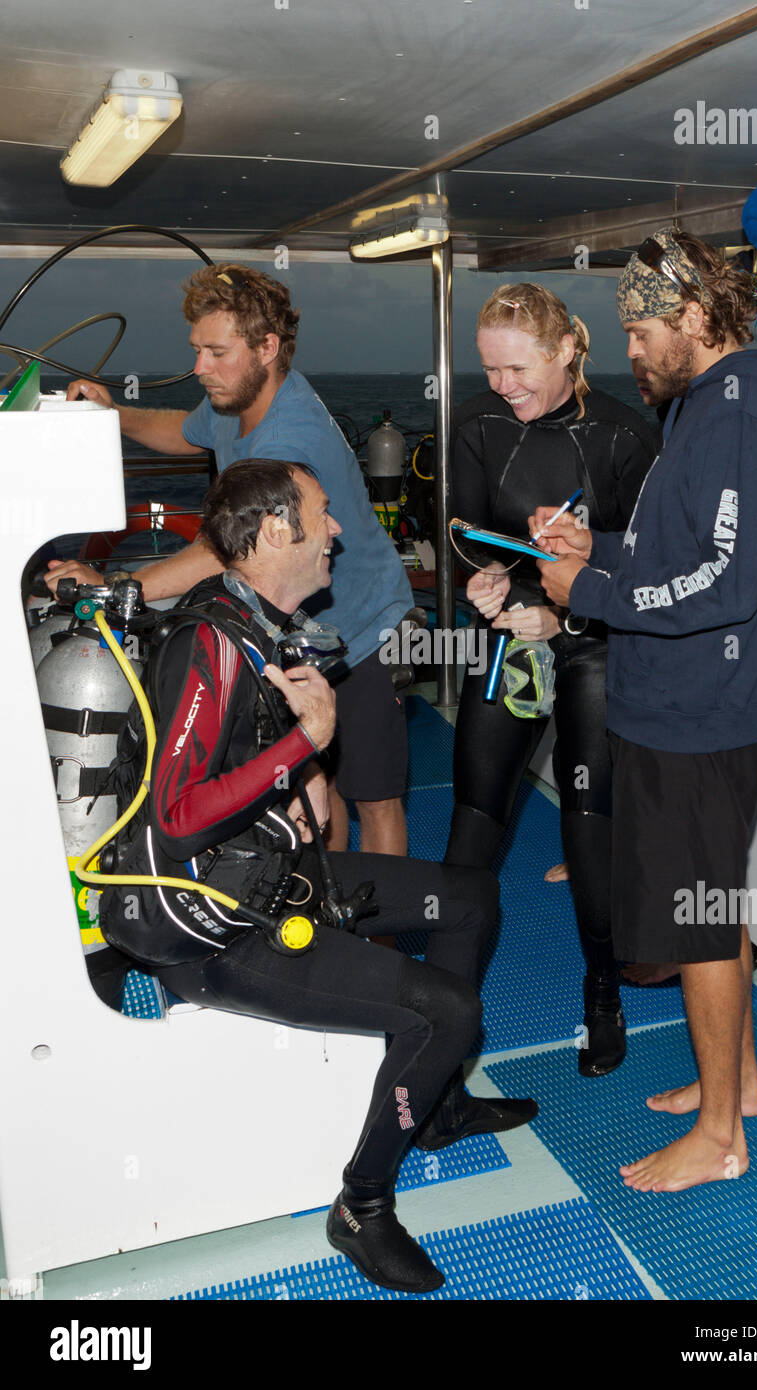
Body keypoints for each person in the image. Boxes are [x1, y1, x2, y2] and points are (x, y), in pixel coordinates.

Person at [99, 457, 536, 1293]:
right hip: (213, 928)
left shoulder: (261, 619)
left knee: (472, 898)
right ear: (272, 532)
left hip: (273, 874)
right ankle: (362, 1206)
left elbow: (256, 755)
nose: (337, 528)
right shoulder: (208, 643)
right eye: (323, 514)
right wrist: (307, 743)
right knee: (447, 1011)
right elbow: (178, 815)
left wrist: (305, 775)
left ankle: (434, 1104)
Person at [535, 227, 757, 1191]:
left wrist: (588, 594)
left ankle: (717, 1140)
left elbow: (722, 582)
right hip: (705, 700)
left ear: (698, 320)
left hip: (701, 706)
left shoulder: (736, 418)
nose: (631, 351)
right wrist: (603, 547)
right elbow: (683, 542)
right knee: (720, 895)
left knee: (702, 919)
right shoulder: (718, 403)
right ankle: (737, 1082)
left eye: (640, 331)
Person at [45, 264, 411, 858]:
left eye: (217, 352)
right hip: (292, 625)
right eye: (196, 350)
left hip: (361, 630)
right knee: (316, 779)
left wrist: (117, 584)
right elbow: (186, 431)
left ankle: (386, 934)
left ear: (268, 348)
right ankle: (332, 911)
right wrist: (113, 414)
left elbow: (223, 551)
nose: (200, 368)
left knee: (375, 798)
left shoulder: (288, 441)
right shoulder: (235, 396)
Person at [445, 283, 658, 1077]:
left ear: (568, 349)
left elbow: (652, 573)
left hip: (595, 644)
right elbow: (468, 534)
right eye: (489, 369)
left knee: (587, 826)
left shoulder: (625, 435)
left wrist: (564, 621)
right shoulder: (478, 423)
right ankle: (442, 1003)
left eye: (517, 368)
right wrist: (489, 580)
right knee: (474, 820)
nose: (502, 386)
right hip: (512, 637)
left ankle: (602, 993)